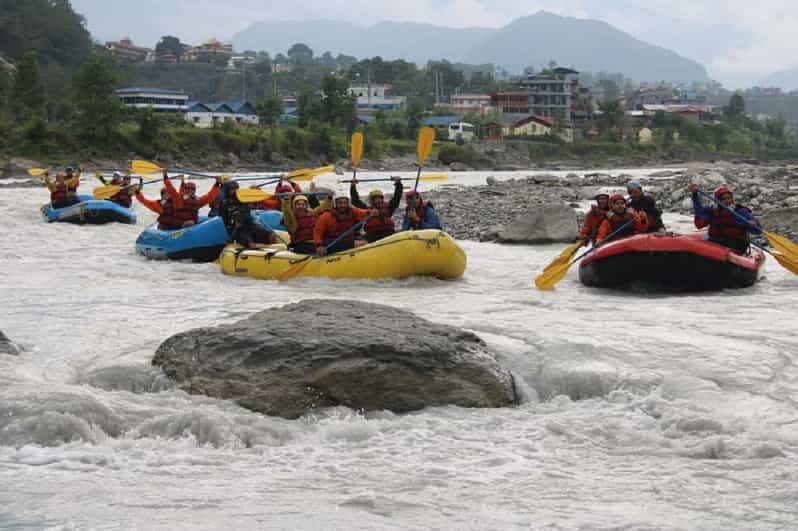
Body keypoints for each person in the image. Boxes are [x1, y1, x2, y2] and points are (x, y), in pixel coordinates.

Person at [689, 184, 761, 254]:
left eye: (729, 198)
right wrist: (695, 195)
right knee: (707, 243)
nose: (727, 201)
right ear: (717, 200)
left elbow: (757, 231)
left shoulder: (740, 211)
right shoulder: (712, 210)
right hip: (717, 240)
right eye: (723, 199)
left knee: (715, 244)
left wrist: (752, 224)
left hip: (736, 243)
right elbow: (699, 212)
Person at [219, 180, 276, 248]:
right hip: (237, 229)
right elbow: (225, 219)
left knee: (270, 235)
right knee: (247, 240)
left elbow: (251, 197)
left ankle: (277, 249)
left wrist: (254, 190)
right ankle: (251, 246)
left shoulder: (242, 198)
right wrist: (234, 223)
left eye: (236, 189)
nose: (235, 191)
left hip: (249, 224)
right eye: (232, 189)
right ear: (227, 191)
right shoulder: (224, 203)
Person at [350, 176, 403, 242]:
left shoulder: (389, 208)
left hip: (388, 233)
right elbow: (355, 201)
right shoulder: (367, 210)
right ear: (372, 201)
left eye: (380, 198)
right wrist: (353, 186)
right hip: (373, 235)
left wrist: (398, 184)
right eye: (376, 198)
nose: (379, 200)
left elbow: (397, 197)